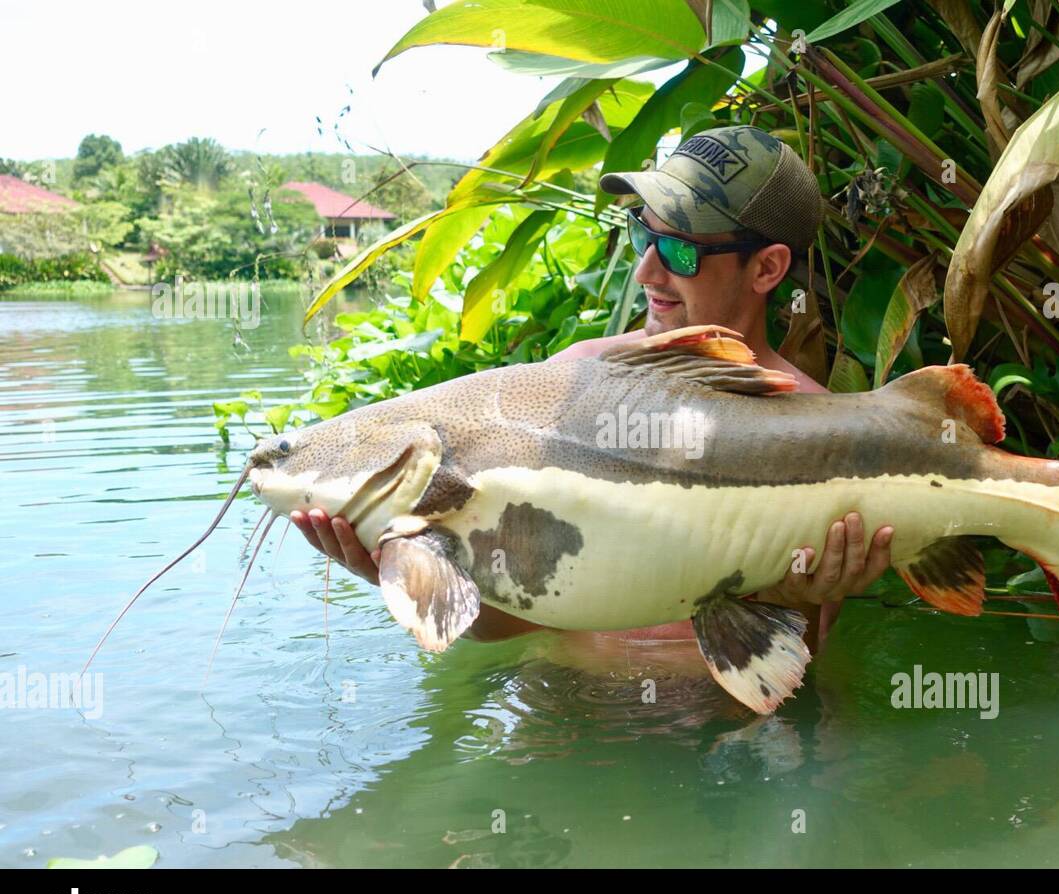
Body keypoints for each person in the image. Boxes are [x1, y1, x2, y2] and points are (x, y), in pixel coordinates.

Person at [291, 126, 893, 656]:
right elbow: (506, 624)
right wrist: (393, 567)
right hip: (559, 715)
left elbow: (790, 666)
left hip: (701, 734)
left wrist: (805, 598)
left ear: (766, 269)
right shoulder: (573, 379)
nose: (647, 272)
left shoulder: (822, 429)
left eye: (681, 250)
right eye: (643, 235)